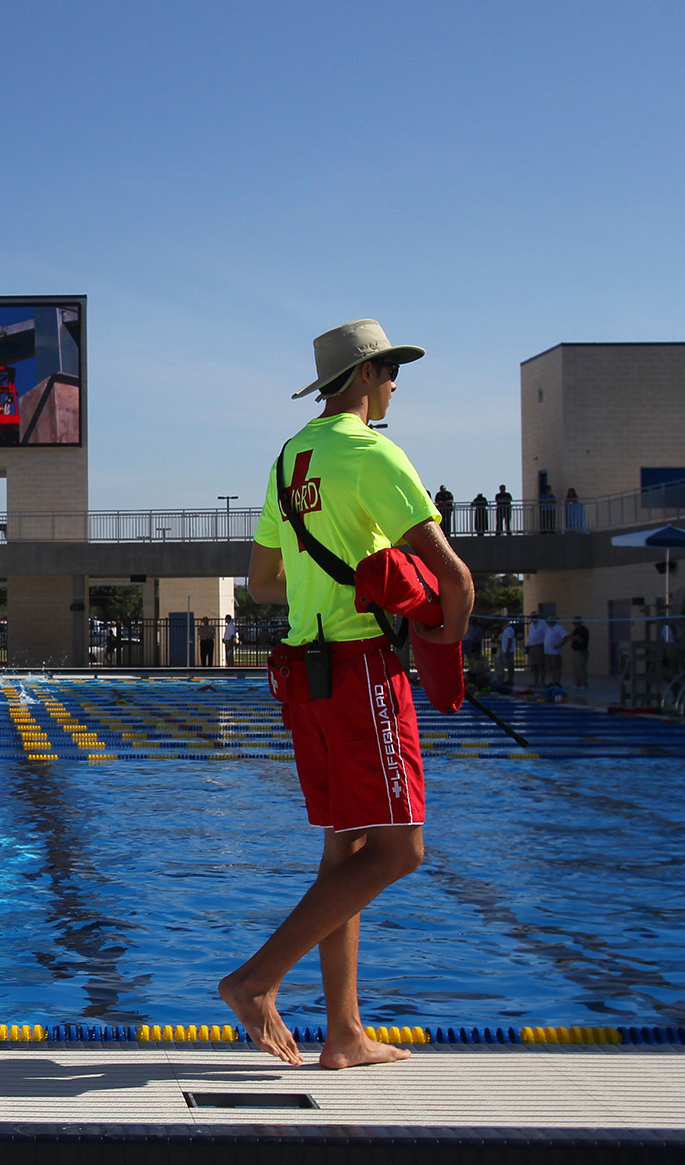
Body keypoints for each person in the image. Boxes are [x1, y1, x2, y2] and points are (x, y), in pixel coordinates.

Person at [221, 319, 472, 1071]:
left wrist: (332, 571)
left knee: (348, 846)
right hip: (362, 666)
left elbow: (263, 582)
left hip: (304, 672)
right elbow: (455, 580)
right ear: (364, 377)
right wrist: (444, 645)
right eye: (391, 370)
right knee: (401, 848)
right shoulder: (371, 453)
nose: (396, 384)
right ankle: (255, 979)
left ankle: (344, 1032)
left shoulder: (290, 458)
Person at [541, 614, 568, 687]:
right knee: (552, 667)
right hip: (548, 651)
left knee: (557, 667)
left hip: (555, 652)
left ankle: (557, 681)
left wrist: (561, 645)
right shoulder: (548, 628)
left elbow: (566, 636)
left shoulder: (559, 628)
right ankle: (552, 681)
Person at [567, 617, 591, 689]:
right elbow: (571, 638)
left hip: (581, 651)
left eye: (575, 622)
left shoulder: (584, 630)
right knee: (575, 668)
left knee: (581, 668)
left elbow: (579, 638)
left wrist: (576, 638)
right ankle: (577, 684)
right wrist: (576, 638)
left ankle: (584, 684)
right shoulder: (575, 630)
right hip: (575, 651)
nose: (573, 624)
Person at [526, 611, 545, 684]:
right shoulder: (531, 625)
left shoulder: (542, 624)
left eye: (535, 617)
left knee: (540, 664)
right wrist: (528, 645)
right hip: (532, 647)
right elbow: (530, 635)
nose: (533, 619)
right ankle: (535, 681)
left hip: (539, 646)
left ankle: (542, 681)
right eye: (532, 617)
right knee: (534, 665)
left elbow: (546, 634)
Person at [496, 618, 517, 685]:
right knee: (508, 666)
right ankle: (509, 679)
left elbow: (509, 640)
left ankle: (510, 680)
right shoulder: (505, 629)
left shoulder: (509, 629)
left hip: (509, 651)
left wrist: (507, 650)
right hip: (506, 650)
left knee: (510, 666)